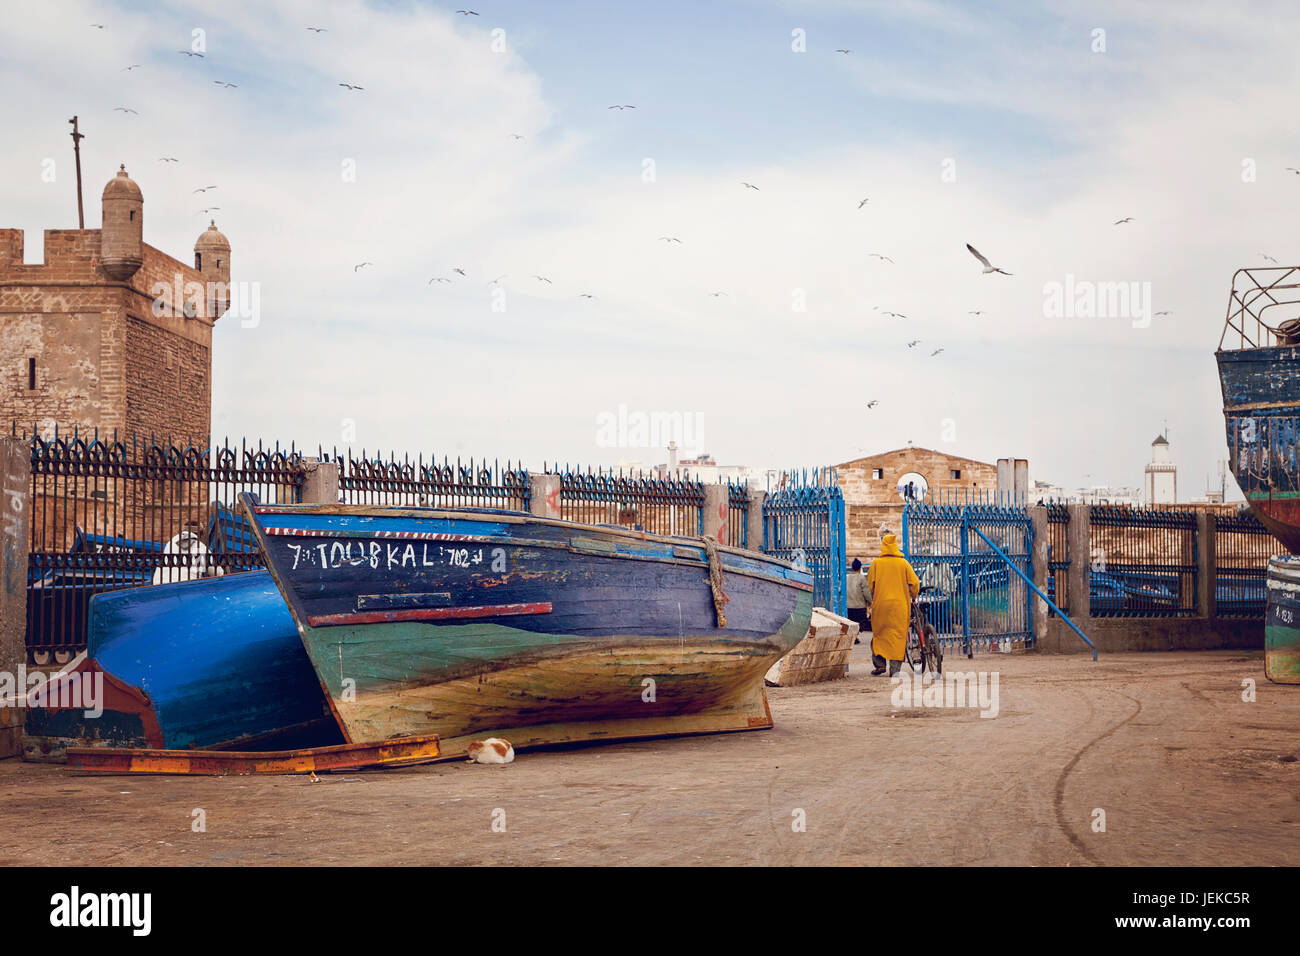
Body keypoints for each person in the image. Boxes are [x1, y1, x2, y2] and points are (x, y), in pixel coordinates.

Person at [866, 532, 920, 676]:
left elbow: (870, 584)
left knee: (879, 634)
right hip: (899, 606)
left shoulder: (876, 564)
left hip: (881, 605)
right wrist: (913, 595)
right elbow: (915, 583)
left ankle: (880, 665)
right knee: (897, 636)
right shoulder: (903, 563)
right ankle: (895, 670)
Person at [845, 558, 871, 644]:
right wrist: (870, 602)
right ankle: (855, 637)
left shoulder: (847, 577)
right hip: (859, 606)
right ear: (860, 568)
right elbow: (866, 592)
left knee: (852, 622)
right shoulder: (861, 578)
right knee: (861, 622)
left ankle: (853, 637)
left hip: (848, 606)